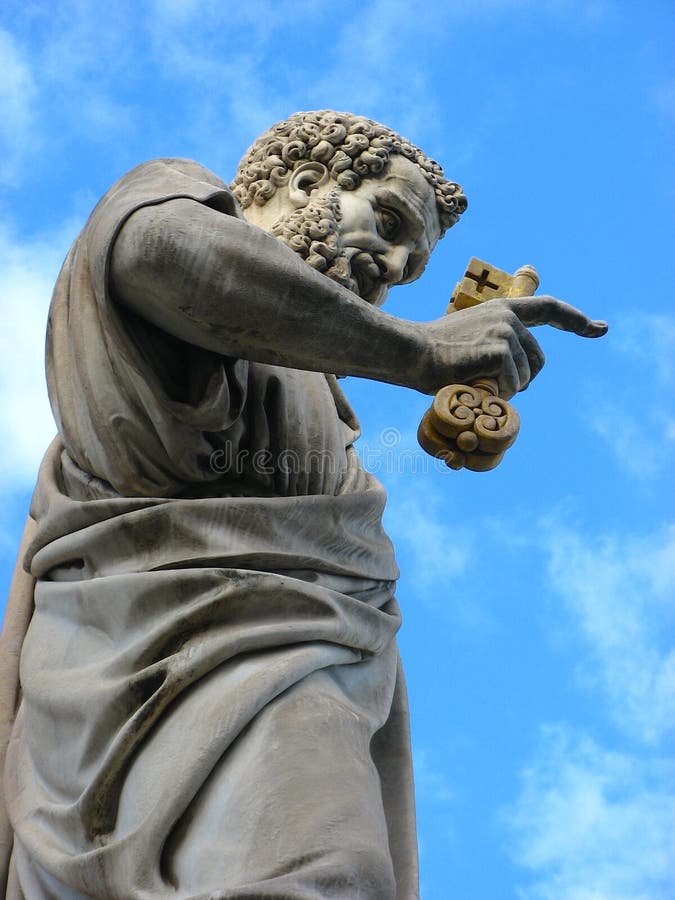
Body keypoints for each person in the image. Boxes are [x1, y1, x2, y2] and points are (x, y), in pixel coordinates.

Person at [0, 110, 606, 899]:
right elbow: (159, 256)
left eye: (408, 265)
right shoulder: (170, 199)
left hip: (300, 689)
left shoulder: (330, 420)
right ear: (307, 181)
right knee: (327, 872)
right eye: (386, 222)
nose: (389, 265)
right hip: (137, 688)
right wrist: (418, 350)